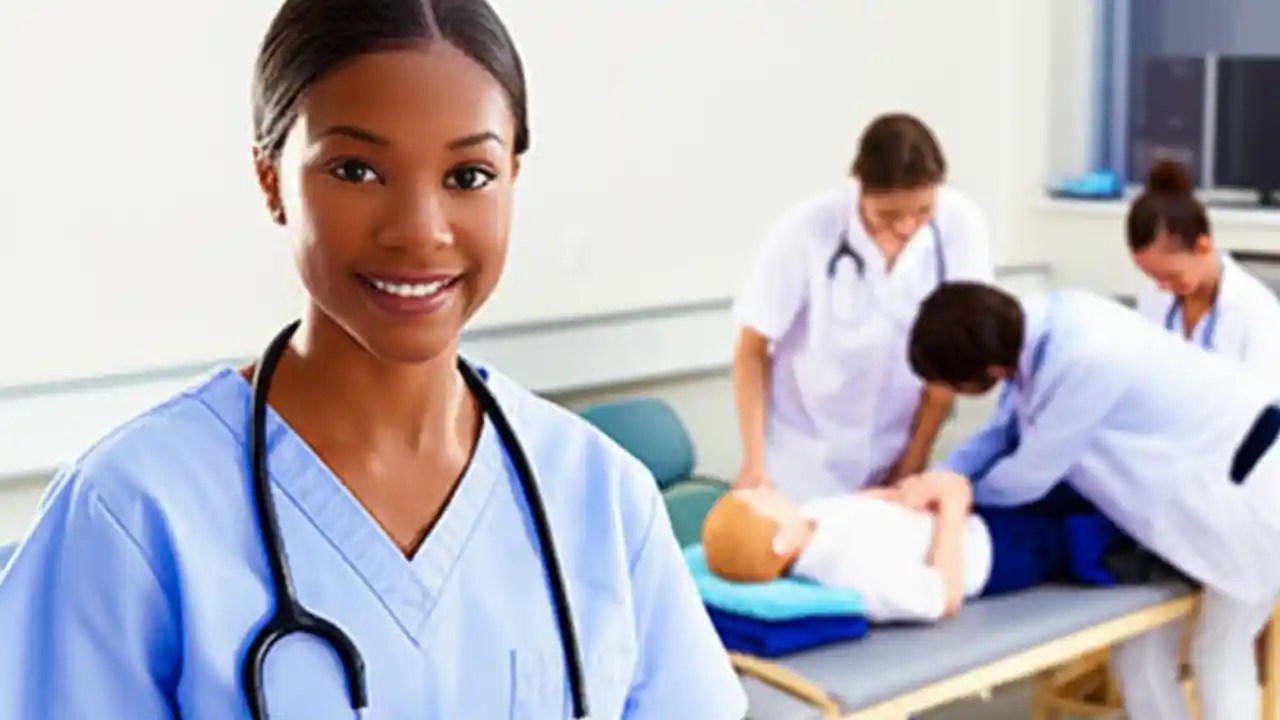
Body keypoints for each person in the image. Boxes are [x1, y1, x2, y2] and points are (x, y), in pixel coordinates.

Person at [0, 1, 747, 718]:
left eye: (468, 177)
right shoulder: (132, 513)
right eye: (356, 170)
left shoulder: (601, 499)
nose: (420, 232)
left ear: (513, 177)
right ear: (271, 180)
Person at [907, 281, 1280, 720]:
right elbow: (1001, 432)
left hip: (1250, 490)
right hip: (1193, 495)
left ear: (987, 369)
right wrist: (941, 478)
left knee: (1218, 648)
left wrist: (956, 498)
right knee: (1139, 652)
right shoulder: (1023, 331)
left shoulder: (1084, 355)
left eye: (952, 387)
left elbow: (1030, 474)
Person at [731, 113, 995, 502]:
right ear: (860, 190)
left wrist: (912, 461)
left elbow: (951, 365)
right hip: (800, 460)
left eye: (922, 212)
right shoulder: (806, 230)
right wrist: (755, 465)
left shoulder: (960, 226)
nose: (906, 227)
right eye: (887, 215)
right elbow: (752, 352)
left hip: (897, 453)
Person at [699, 472, 1075, 623]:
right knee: (1088, 524)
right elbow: (943, 597)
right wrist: (953, 505)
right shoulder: (849, 571)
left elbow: (866, 503)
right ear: (782, 545)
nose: (765, 488)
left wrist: (909, 493)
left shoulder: (810, 517)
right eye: (759, 499)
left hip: (968, 517)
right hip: (997, 554)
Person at [1128, 159, 1280, 385]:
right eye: (1154, 277)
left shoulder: (1258, 313)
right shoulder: (1154, 295)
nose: (1161, 287)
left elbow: (1265, 410)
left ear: (1203, 246)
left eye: (1172, 276)